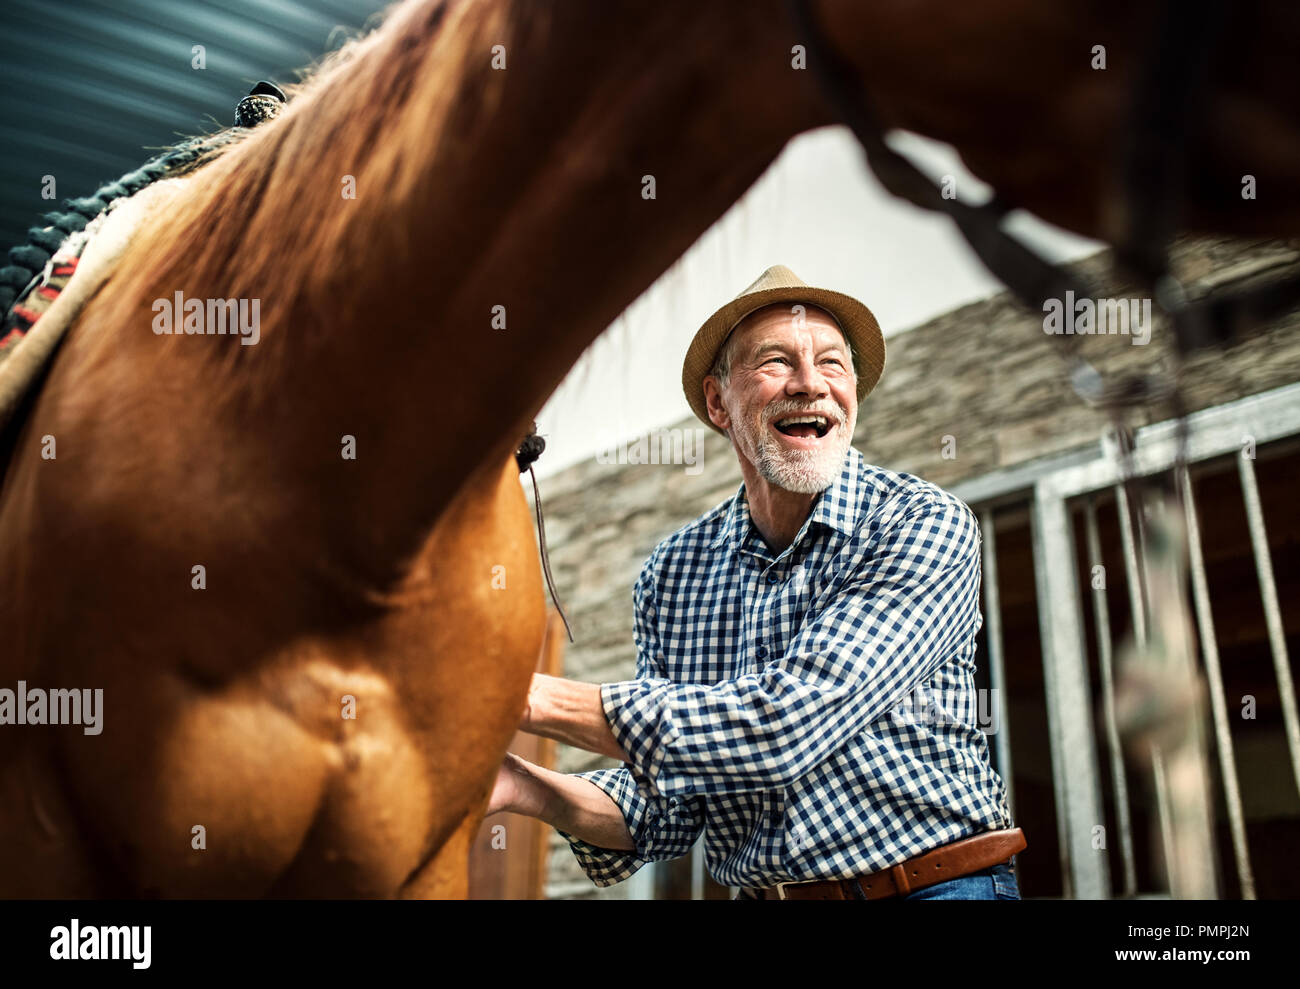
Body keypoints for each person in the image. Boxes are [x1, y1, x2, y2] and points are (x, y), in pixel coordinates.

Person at [488, 265, 1025, 900]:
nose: (810, 384)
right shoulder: (672, 575)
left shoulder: (921, 523)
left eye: (832, 364)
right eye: (776, 361)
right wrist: (523, 786)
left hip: (934, 891)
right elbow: (666, 810)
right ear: (719, 403)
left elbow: (787, 724)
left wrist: (515, 696)